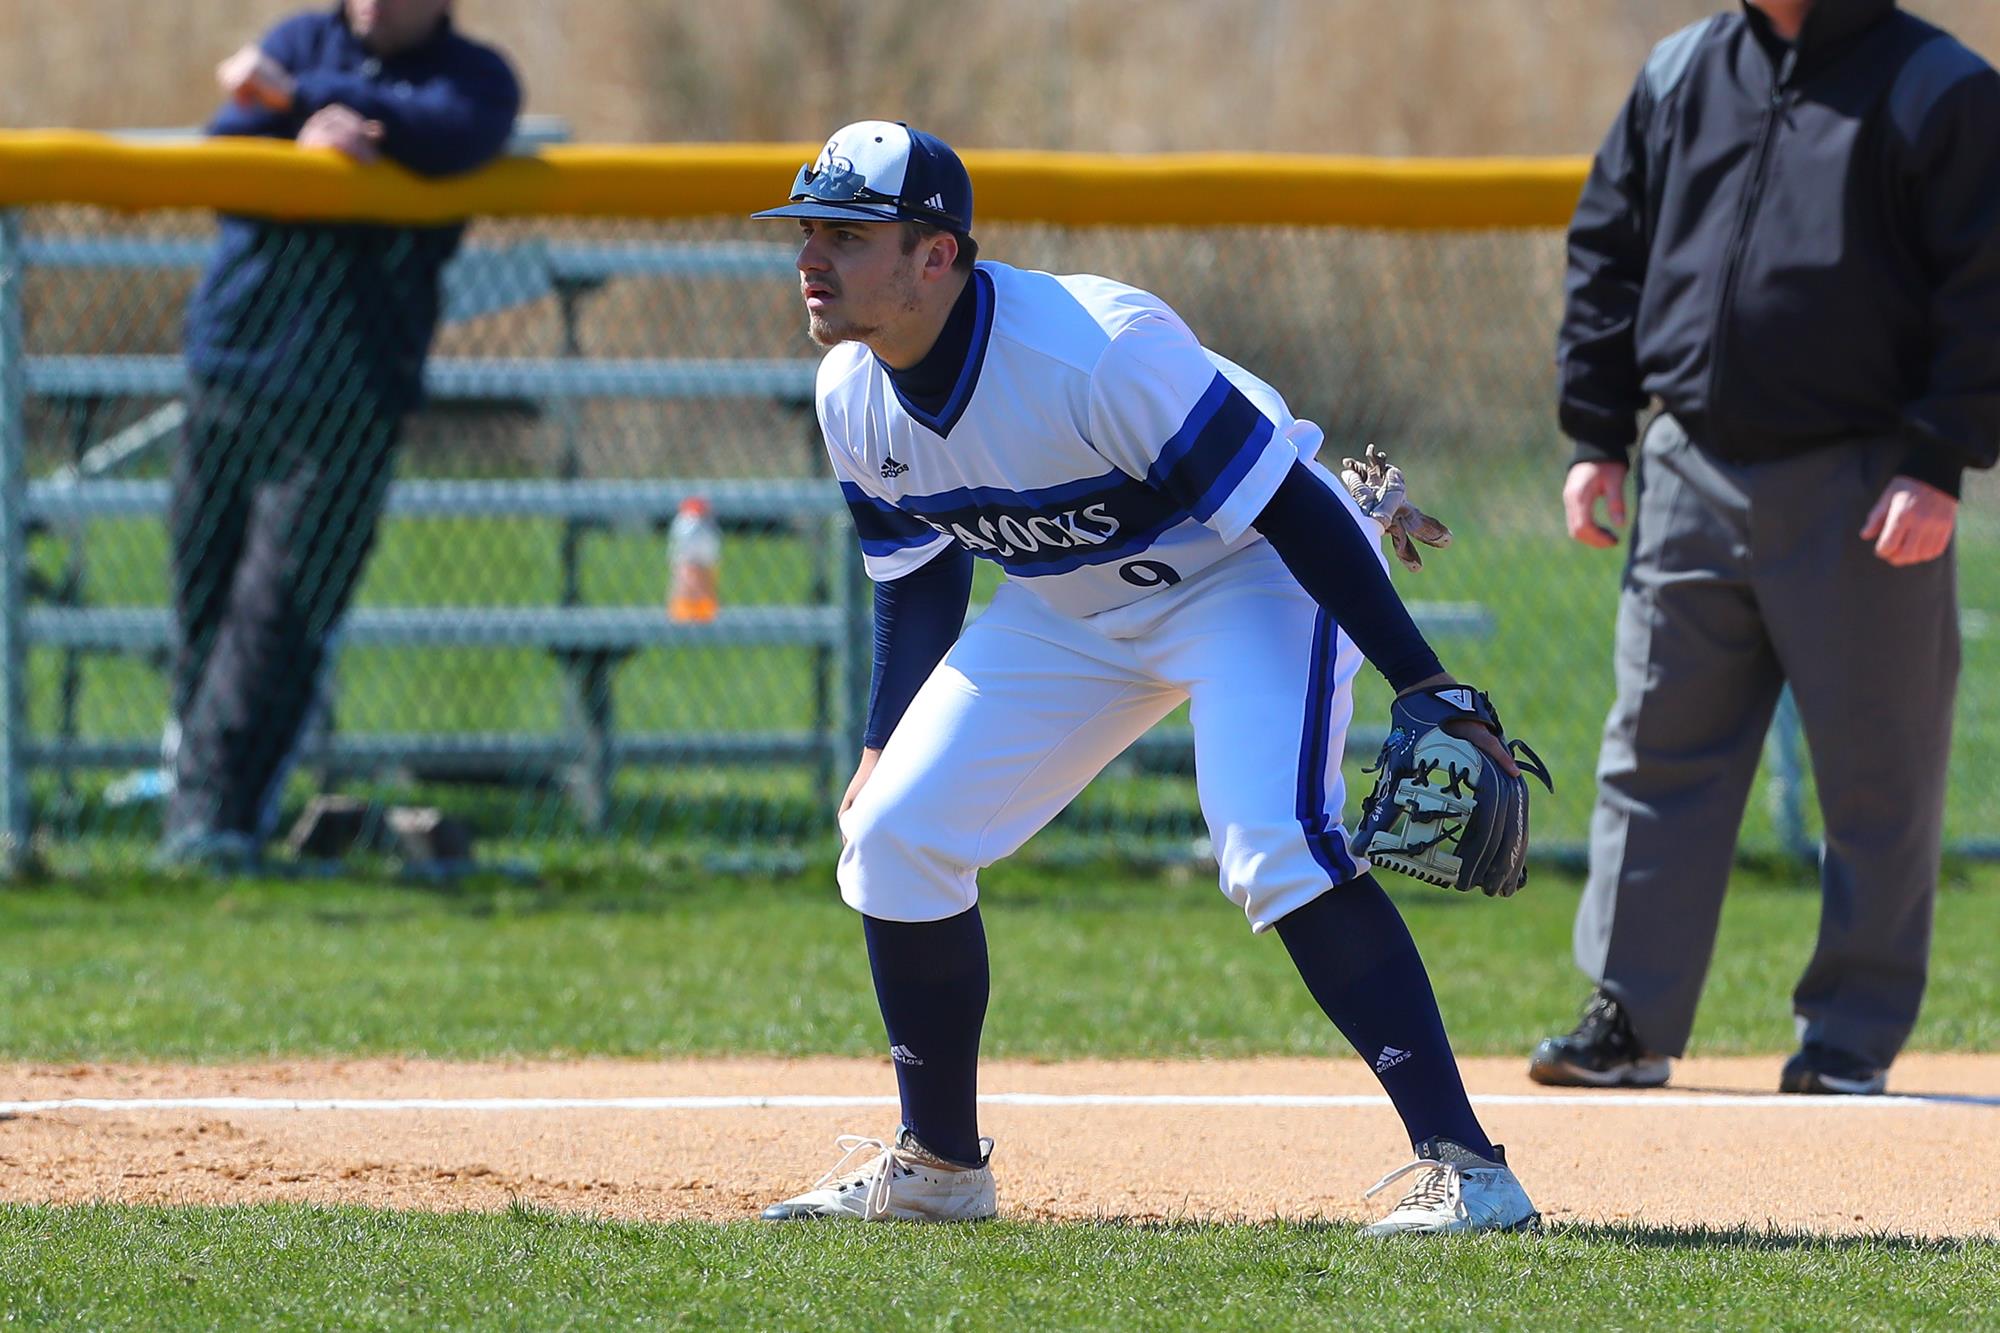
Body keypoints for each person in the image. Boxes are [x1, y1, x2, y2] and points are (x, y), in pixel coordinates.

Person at [749, 120, 1540, 1235]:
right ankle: (937, 1167)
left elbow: (1285, 503)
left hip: (1252, 572)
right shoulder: (851, 395)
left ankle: (1471, 1173)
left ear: (937, 255)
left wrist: (1423, 681)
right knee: (894, 832)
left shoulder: (1091, 347)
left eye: (845, 231)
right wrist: (882, 741)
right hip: (1074, 604)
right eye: (804, 231)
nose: (809, 258)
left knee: (1270, 840)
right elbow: (916, 574)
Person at [1538, 0, 1999, 1094]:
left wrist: (1935, 462)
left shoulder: (1937, 86)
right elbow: (1607, 249)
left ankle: (1846, 1036)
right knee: (1651, 751)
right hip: (1687, 464)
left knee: (1875, 776)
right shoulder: (1680, 69)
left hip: (1862, 479)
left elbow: (1984, 294)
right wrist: (1594, 436)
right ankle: (1627, 1016)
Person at [161, 0, 521, 868]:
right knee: (201, 598)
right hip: (233, 367)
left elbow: (453, 133)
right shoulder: (300, 38)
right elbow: (224, 146)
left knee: (278, 615)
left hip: (350, 396)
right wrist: (305, 131)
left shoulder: (472, 74)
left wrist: (319, 107)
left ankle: (214, 825)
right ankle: (203, 805)